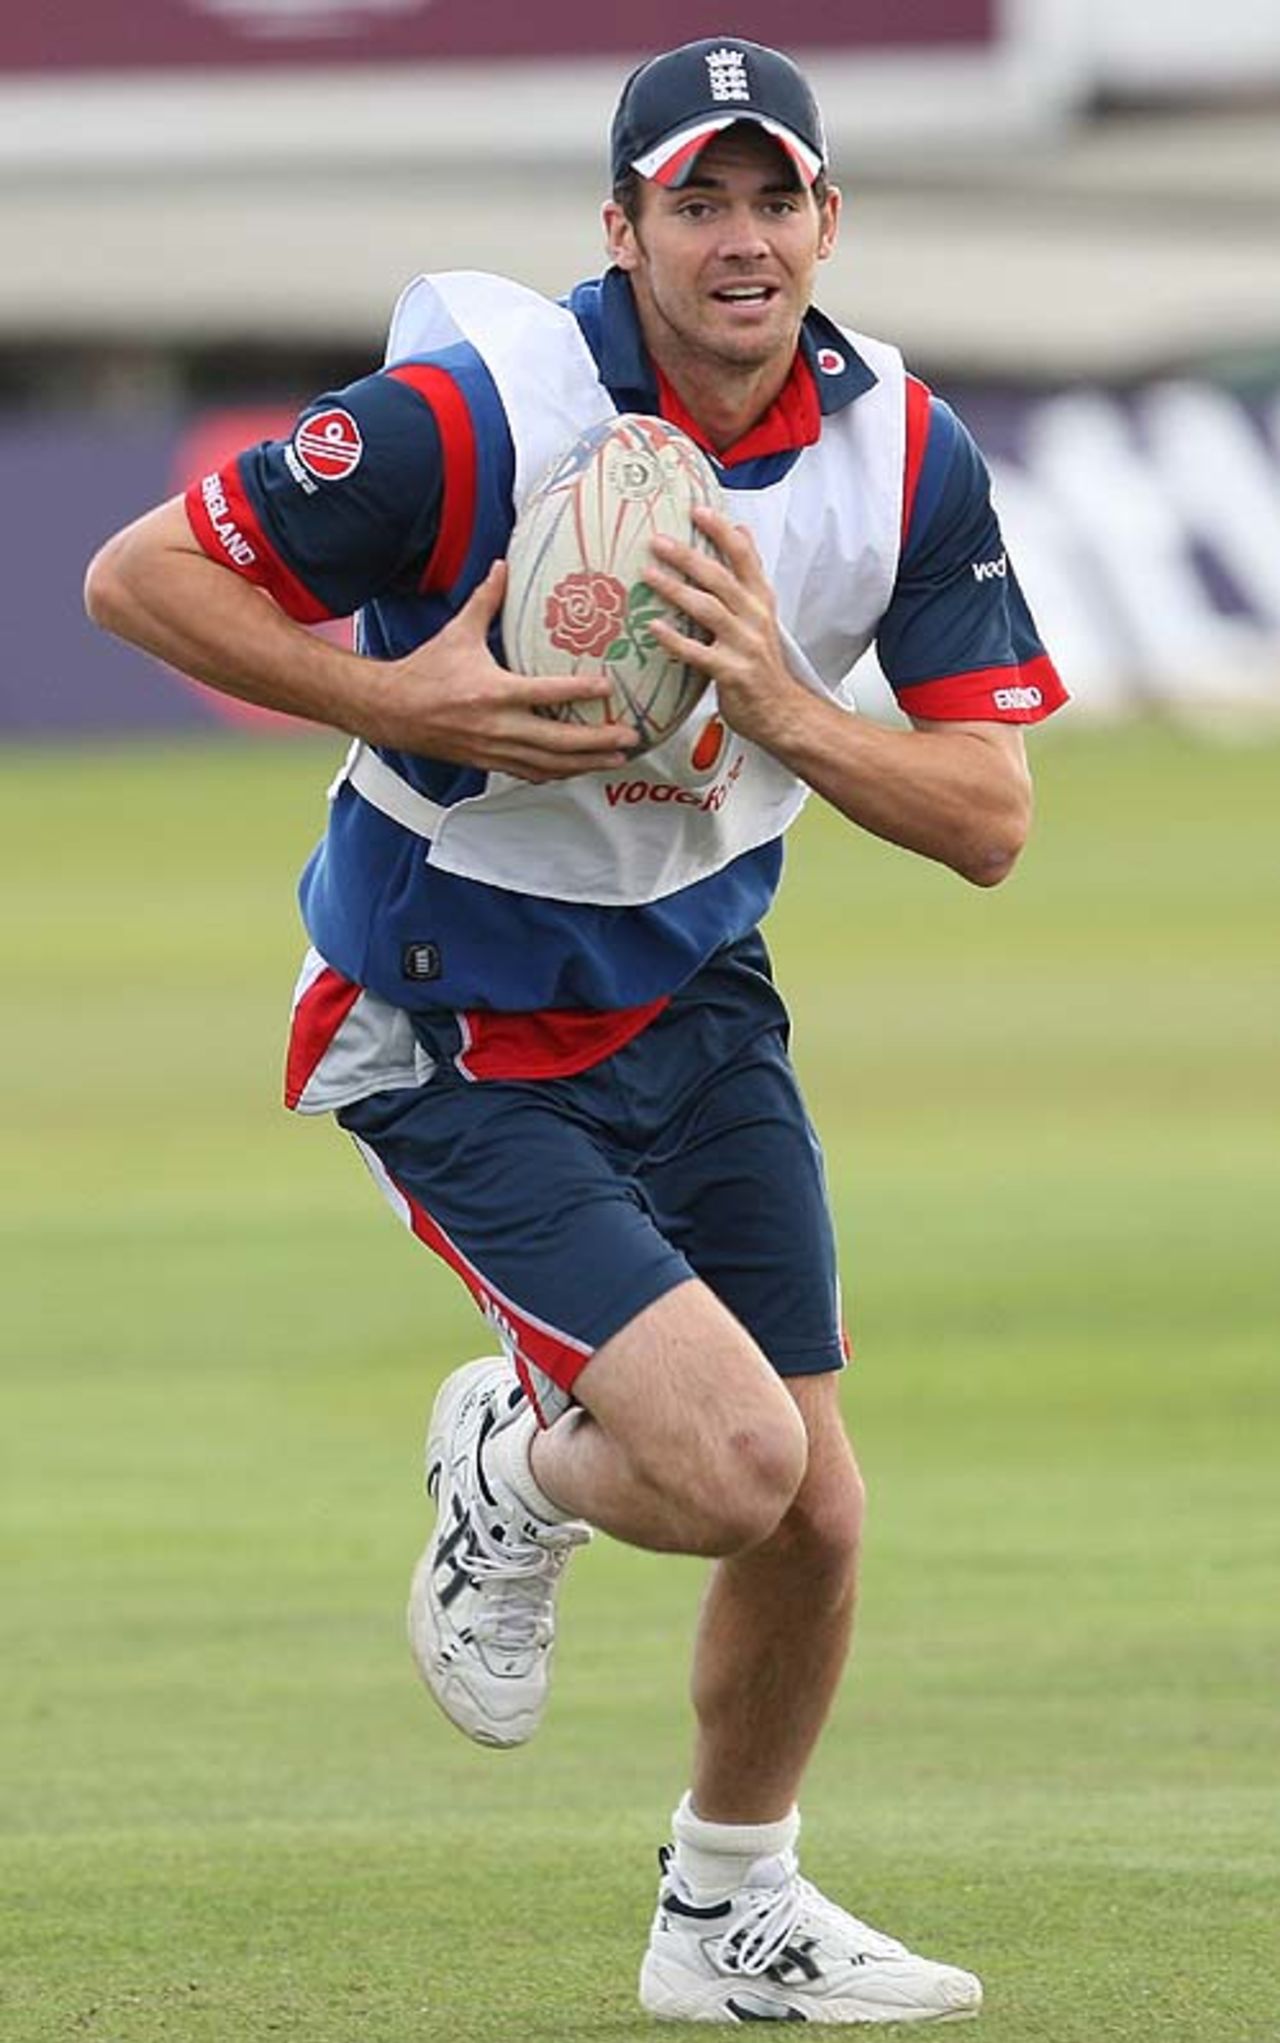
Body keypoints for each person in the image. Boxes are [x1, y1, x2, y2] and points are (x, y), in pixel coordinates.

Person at [86, 33, 1066, 2025]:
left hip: (697, 986)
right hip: (442, 1001)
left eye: (768, 194)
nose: (736, 235)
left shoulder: (896, 450)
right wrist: (404, 699)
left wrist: (792, 712)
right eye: (690, 199)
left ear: (825, 220)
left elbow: (989, 820)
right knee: (722, 1462)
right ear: (614, 231)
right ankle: (512, 1471)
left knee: (819, 1508)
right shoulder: (478, 411)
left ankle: (728, 1914)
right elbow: (135, 576)